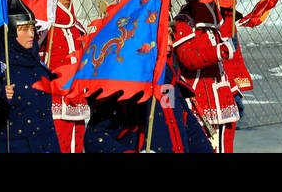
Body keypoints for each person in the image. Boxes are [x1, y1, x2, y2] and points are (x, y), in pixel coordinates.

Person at [0, 0, 60, 153]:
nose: (31, 34)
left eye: (32, 28)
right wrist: (0, 96)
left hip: (46, 144)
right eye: (24, 29)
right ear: (9, 32)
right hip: (11, 146)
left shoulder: (37, 62)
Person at [171, 0, 252, 152]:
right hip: (201, 101)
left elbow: (222, 66)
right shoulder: (185, 21)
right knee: (206, 146)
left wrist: (233, 89)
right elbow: (188, 58)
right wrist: (219, 51)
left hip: (222, 96)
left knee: (225, 146)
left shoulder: (213, 21)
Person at [84, 62, 214, 153]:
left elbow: (187, 126)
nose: (169, 42)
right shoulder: (122, 83)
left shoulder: (167, 78)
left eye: (170, 35)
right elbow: (94, 137)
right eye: (164, 36)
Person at [41, 0, 90, 152]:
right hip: (55, 94)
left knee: (77, 139)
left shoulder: (77, 27)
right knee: (59, 140)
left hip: (77, 94)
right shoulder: (44, 29)